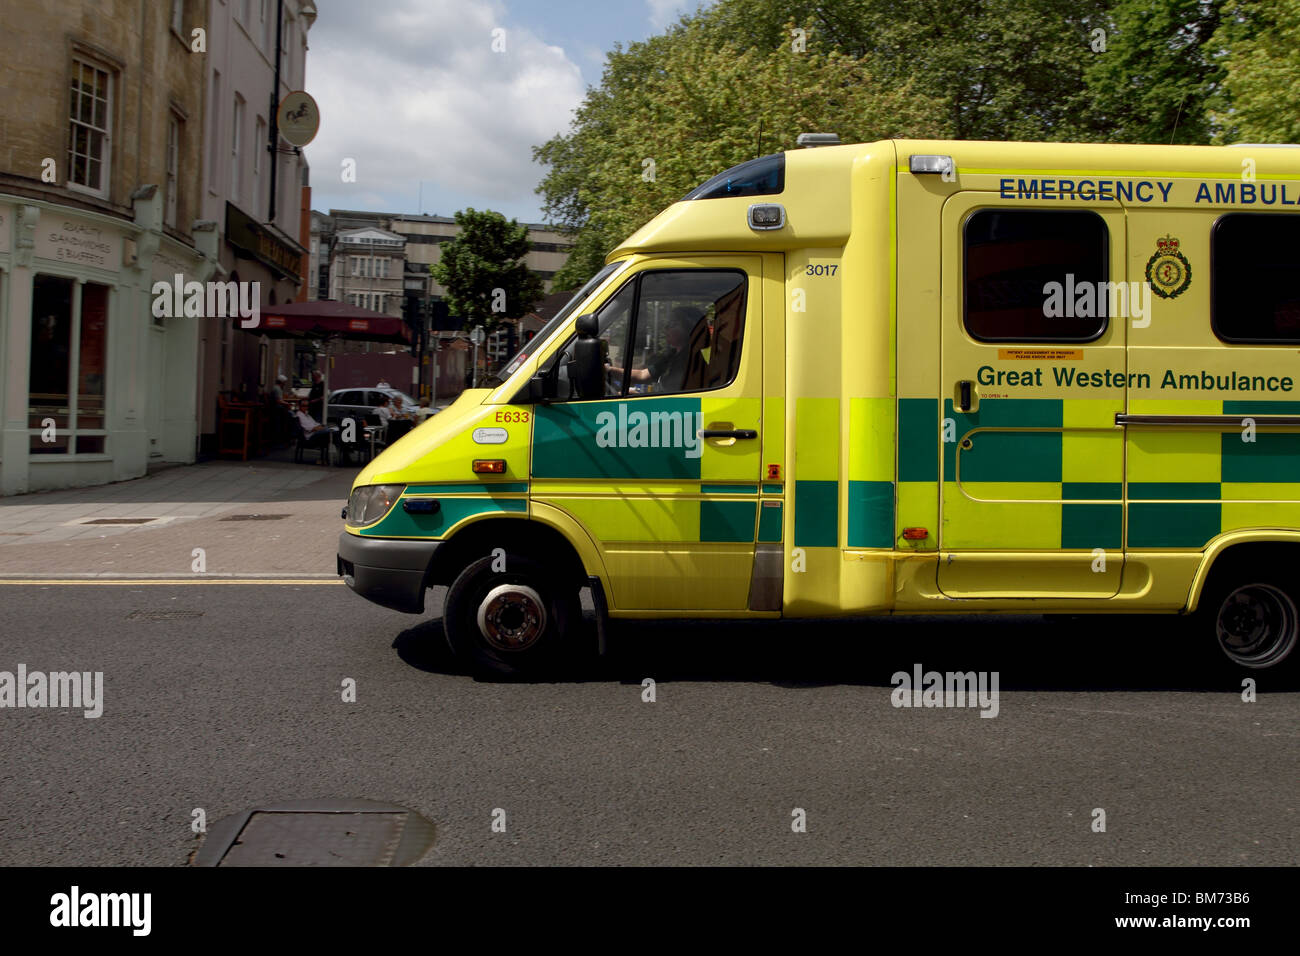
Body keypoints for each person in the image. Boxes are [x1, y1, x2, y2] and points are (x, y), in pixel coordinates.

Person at [622, 307, 703, 394]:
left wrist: (635, 395)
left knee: (621, 407)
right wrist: (609, 369)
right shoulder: (672, 354)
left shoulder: (689, 361)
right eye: (668, 323)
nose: (666, 327)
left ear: (689, 328)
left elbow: (672, 399)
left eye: (673, 324)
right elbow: (642, 375)